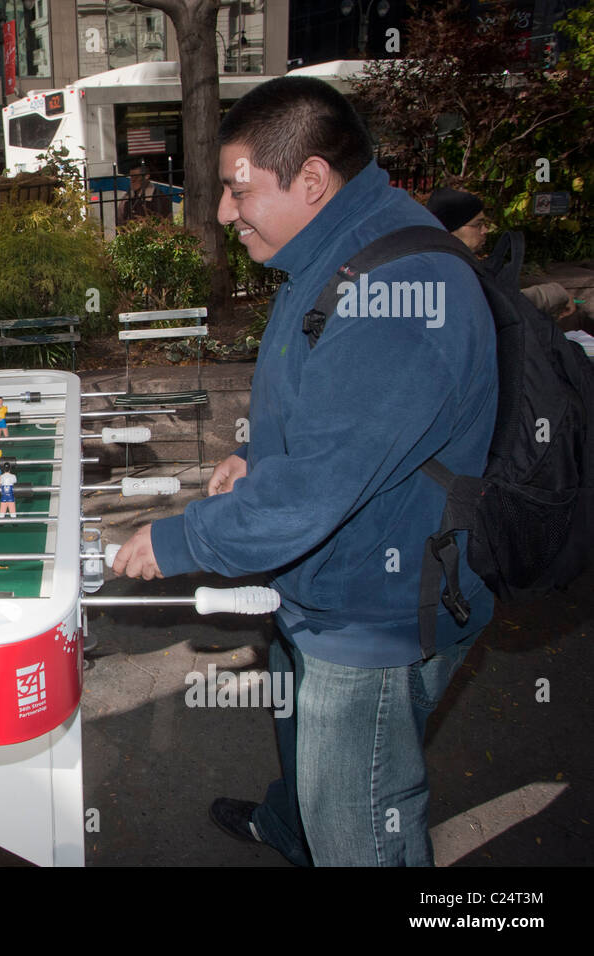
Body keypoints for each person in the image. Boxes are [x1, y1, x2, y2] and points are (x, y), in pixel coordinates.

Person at [111, 77, 497, 867]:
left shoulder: (399, 298)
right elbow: (338, 422)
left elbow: (316, 491)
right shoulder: (335, 247)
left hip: (375, 617)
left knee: (361, 823)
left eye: (237, 188)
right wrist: (257, 458)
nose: (223, 212)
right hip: (322, 580)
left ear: (312, 180)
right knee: (304, 739)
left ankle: (327, 829)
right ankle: (294, 827)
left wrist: (179, 539)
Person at [426, 187, 577, 320]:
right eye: (478, 225)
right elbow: (496, 307)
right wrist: (553, 294)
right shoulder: (446, 270)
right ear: (451, 229)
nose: (485, 230)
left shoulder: (440, 262)